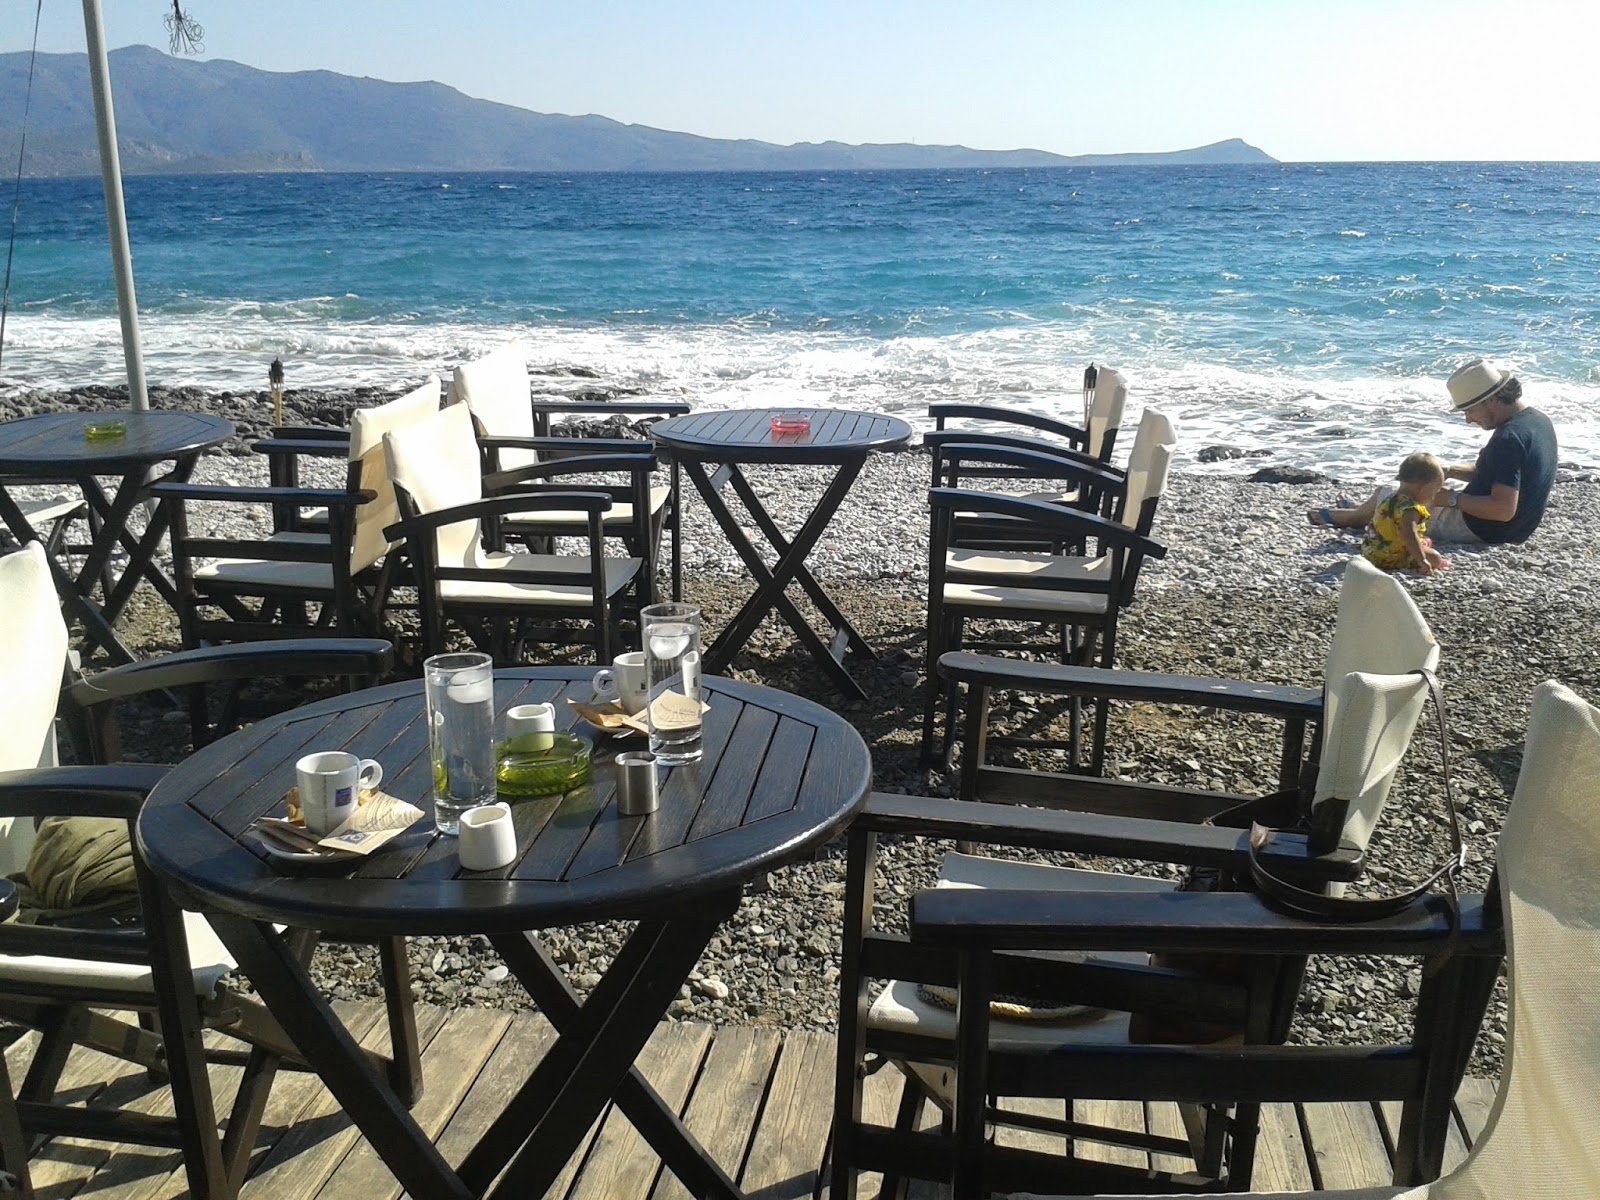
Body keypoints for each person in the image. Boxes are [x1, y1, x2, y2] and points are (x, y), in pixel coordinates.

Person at [1311, 358, 1558, 546]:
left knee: (1388, 496)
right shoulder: (1537, 421)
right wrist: (1449, 470)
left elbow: (1502, 510)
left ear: (1492, 400)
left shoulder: (1508, 438)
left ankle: (1348, 517)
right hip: (1519, 528)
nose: (1468, 419)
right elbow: (1498, 476)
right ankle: (1361, 510)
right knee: (1395, 493)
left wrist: (1450, 499)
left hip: (1485, 528)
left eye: (1469, 410)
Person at [1309, 452, 1449, 575]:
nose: (1433, 497)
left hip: (1371, 552)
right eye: (1435, 491)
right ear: (1422, 486)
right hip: (1391, 557)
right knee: (1435, 557)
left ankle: (1420, 547)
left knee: (1422, 542)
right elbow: (1408, 535)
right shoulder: (1410, 509)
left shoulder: (1389, 499)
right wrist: (1422, 560)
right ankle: (1418, 557)